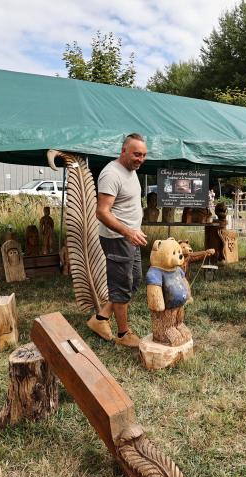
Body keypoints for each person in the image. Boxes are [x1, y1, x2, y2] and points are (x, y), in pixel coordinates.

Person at [87, 133, 148, 347]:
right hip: (118, 238)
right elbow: (102, 212)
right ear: (123, 151)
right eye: (136, 154)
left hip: (131, 238)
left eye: (143, 155)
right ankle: (123, 335)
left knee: (135, 279)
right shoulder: (111, 174)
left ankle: (101, 318)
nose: (140, 159)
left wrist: (134, 232)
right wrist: (128, 232)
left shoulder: (130, 171)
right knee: (122, 284)